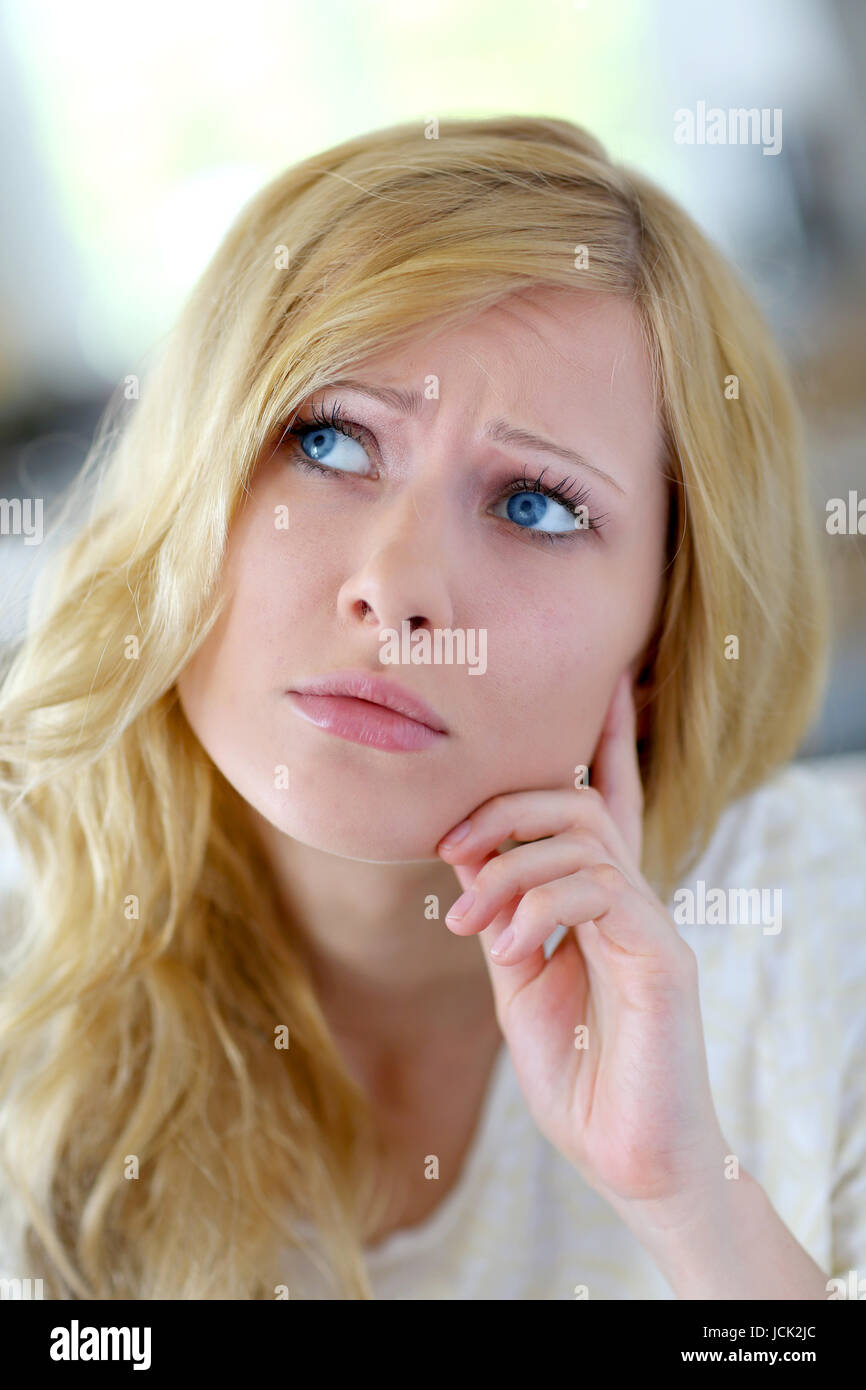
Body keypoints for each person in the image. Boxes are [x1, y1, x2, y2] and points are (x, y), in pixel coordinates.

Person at [0, 115, 864, 1301]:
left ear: (660, 643)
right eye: (328, 437)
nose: (396, 587)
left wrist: (690, 1204)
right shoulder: (25, 996)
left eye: (534, 507)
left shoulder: (832, 941)